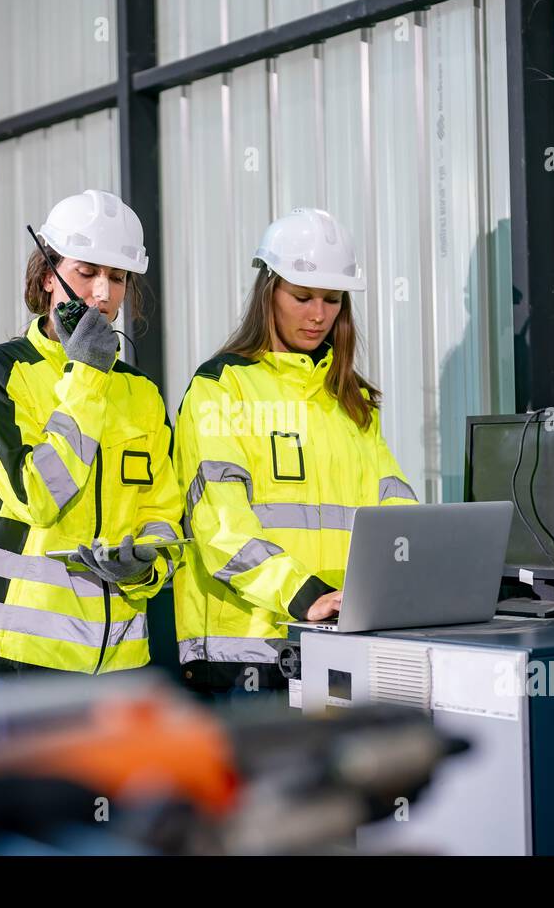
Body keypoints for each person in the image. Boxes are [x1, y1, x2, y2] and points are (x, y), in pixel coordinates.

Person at [172, 207, 418, 697]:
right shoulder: (221, 389)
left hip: (337, 643)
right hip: (245, 654)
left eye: (332, 299)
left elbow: (396, 509)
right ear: (269, 293)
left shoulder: (350, 401)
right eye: (302, 296)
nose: (318, 314)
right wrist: (304, 596)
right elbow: (220, 526)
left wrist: (411, 576)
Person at [0, 189, 183, 682]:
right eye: (86, 272)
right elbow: (39, 496)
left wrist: (145, 567)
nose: (101, 293)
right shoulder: (1, 371)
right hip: (19, 655)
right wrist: (88, 376)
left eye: (117, 278)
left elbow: (164, 515)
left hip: (120, 662)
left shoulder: (142, 395)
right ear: (49, 276)